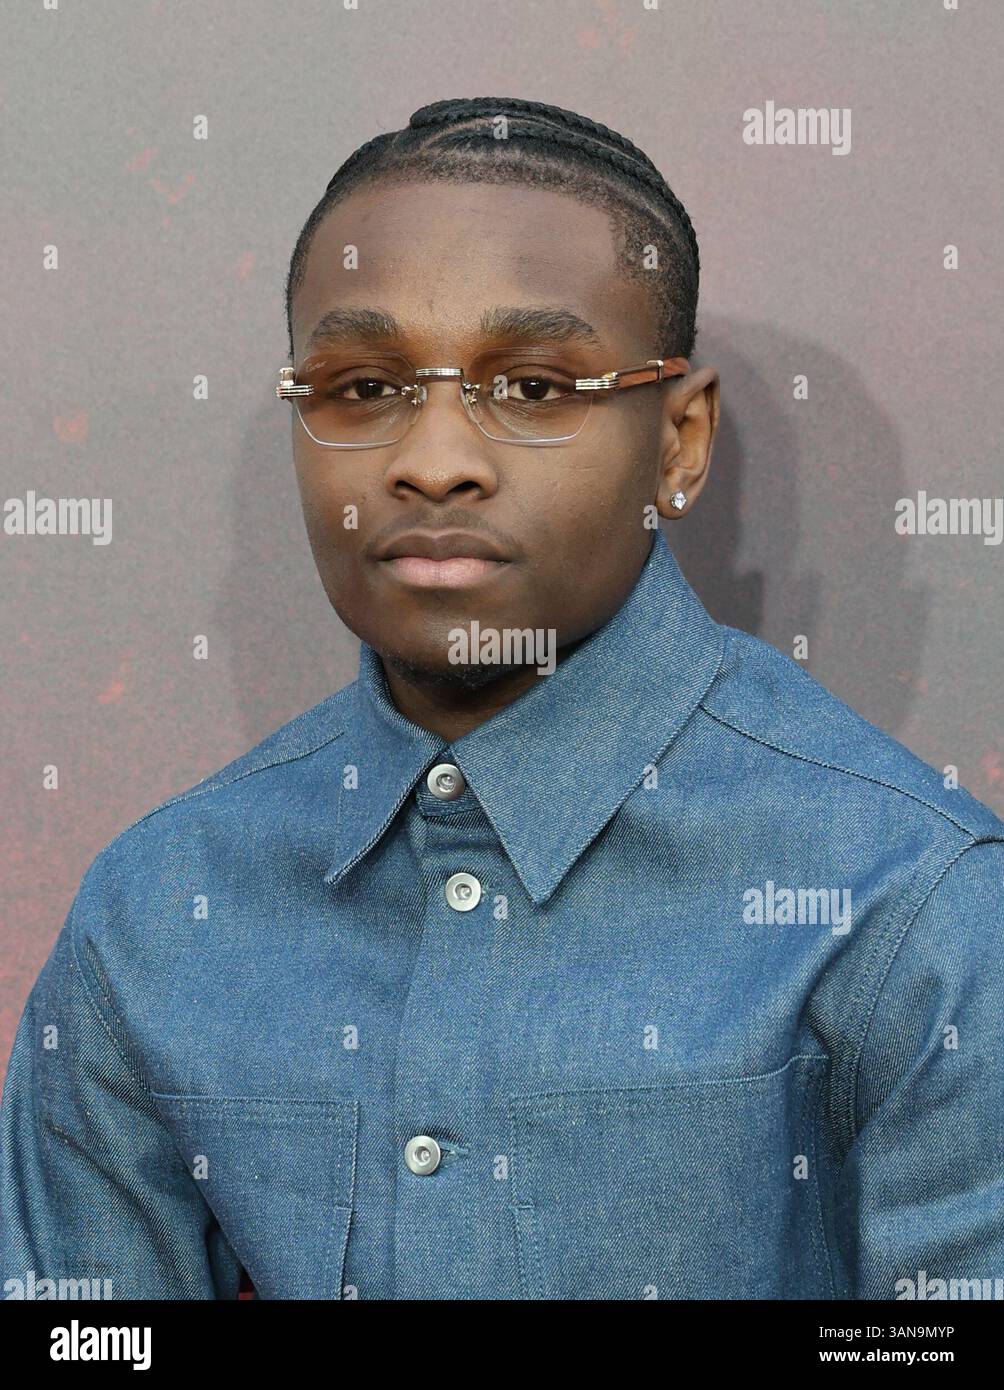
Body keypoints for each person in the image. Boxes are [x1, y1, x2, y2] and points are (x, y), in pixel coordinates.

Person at [2, 96, 1002, 1302]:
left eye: (531, 388)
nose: (432, 458)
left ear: (678, 444)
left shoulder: (912, 906)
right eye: (362, 386)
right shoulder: (160, 910)